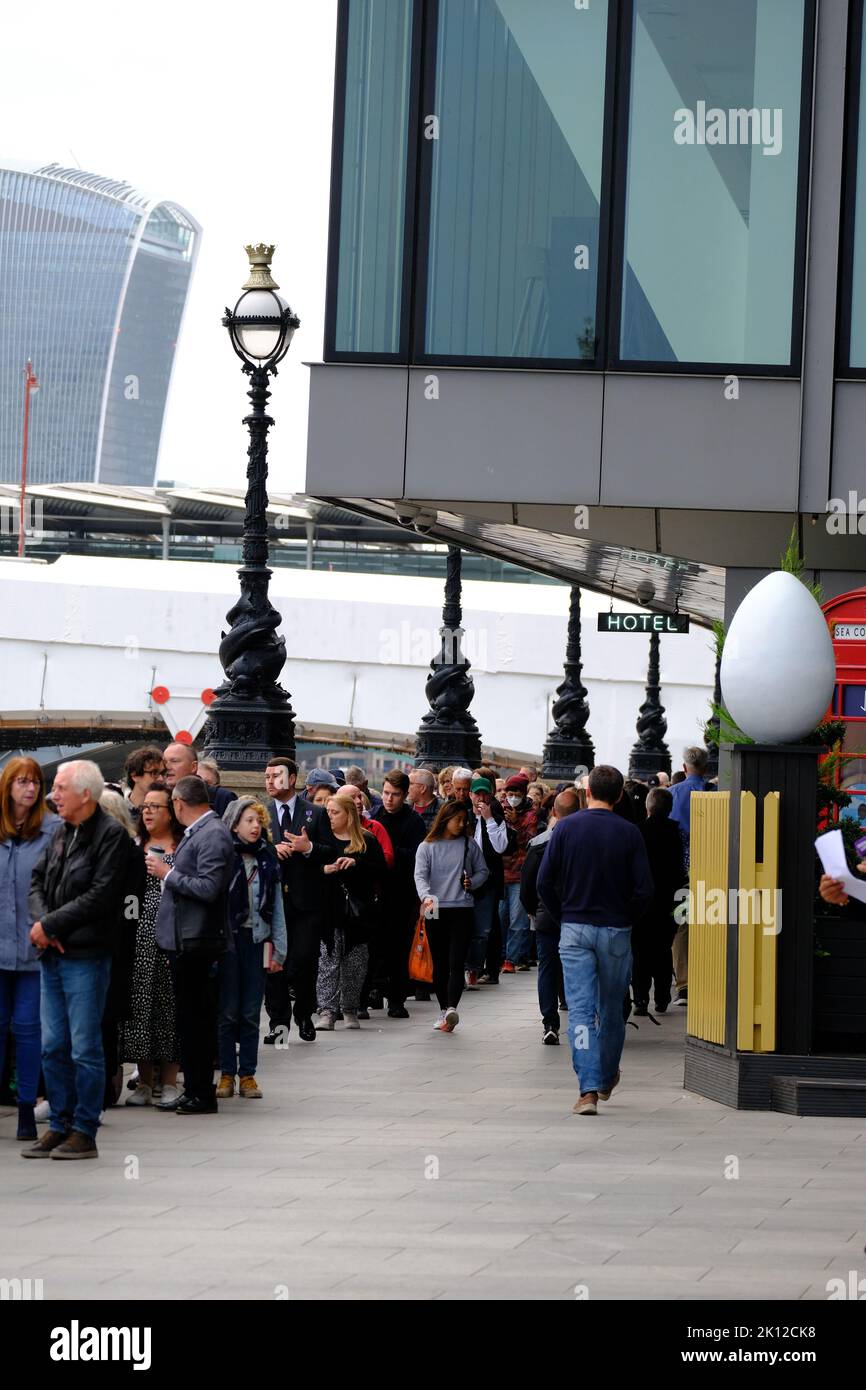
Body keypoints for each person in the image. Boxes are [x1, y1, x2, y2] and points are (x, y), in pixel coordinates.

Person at [24, 760, 132, 1160]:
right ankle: (59, 1124)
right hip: (52, 953)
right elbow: (37, 881)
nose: (53, 795)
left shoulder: (111, 836)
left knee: (84, 1047)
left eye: (60, 788)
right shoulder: (60, 831)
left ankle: (85, 1129)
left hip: (86, 955)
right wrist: (43, 924)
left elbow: (101, 896)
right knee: (52, 1045)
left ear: (85, 794)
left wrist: (50, 925)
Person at [537, 764, 653, 1117]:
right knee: (612, 1009)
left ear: (587, 793)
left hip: (575, 927)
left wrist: (563, 916)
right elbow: (644, 889)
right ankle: (606, 1074)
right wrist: (627, 918)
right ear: (619, 795)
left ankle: (587, 1088)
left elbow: (544, 882)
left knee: (581, 1011)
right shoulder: (630, 832)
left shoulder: (565, 828)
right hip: (616, 929)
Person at [151, 775, 234, 1115]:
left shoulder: (212, 833)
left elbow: (209, 888)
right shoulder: (201, 831)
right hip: (186, 937)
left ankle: (201, 1092)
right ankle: (195, 1089)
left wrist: (167, 874)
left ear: (179, 803)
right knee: (189, 1018)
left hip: (197, 940)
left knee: (196, 1019)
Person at [0, 759, 60, 1140]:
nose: (30, 789)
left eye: (35, 782)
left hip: (34, 948)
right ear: (7, 787)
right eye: (22, 782)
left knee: (28, 1030)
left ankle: (26, 1108)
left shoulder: (53, 830)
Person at [217, 799, 287, 1098]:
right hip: (228, 943)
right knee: (227, 1012)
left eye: (258, 821)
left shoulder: (267, 858)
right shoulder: (223, 858)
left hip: (257, 941)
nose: (256, 826)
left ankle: (247, 1075)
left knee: (249, 1013)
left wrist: (280, 950)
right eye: (249, 820)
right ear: (234, 825)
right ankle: (226, 1075)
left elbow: (277, 907)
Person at [120, 781, 183, 1110]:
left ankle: (170, 1082)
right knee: (140, 1008)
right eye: (145, 807)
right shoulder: (134, 846)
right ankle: (144, 1081)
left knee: (170, 1009)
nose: (147, 812)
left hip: (173, 936)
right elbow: (125, 895)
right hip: (140, 939)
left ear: (170, 812)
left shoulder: (182, 846)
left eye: (155, 807)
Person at [263, 757, 332, 1044]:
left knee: (304, 960)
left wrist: (309, 847)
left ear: (292, 779)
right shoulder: (260, 813)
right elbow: (246, 848)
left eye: (275, 776)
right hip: (271, 903)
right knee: (273, 963)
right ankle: (278, 1023)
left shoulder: (315, 813)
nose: (269, 781)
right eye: (267, 776)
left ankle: (304, 1014)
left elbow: (331, 851)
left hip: (306, 903)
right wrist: (271, 850)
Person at [414, 800, 488, 1031]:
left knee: (457, 961)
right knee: (439, 962)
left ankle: (451, 1008)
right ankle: (443, 1008)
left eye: (465, 820)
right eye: (458, 820)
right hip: (435, 906)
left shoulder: (468, 844)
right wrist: (425, 896)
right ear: (445, 819)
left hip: (462, 906)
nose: (462, 824)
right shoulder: (427, 846)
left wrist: (472, 882)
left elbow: (483, 871)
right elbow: (420, 875)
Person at [316, 796, 385, 1030]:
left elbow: (381, 871)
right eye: (327, 811)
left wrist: (356, 864)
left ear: (348, 815)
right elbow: (310, 869)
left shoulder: (366, 840)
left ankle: (350, 1008)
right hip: (329, 909)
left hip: (358, 912)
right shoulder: (322, 839)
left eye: (334, 812)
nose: (329, 816)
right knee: (327, 960)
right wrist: (325, 869)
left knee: (355, 963)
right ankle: (327, 1011)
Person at [520, 789, 582, 1044]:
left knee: (547, 968)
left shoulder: (538, 843)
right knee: (579, 968)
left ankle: (549, 1022)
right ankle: (581, 1019)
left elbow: (527, 887)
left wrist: (535, 909)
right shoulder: (585, 843)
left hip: (546, 916)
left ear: (554, 812)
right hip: (579, 915)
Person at [98, 790, 146, 1108]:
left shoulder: (128, 854)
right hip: (105, 945)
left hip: (115, 947)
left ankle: (106, 1083)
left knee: (107, 1019)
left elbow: (131, 906)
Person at [373, 770, 427, 1017]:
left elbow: (417, 856)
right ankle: (375, 991)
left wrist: (389, 849)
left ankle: (396, 999)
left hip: (402, 893)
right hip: (377, 890)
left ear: (405, 795)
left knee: (399, 946)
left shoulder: (414, 822)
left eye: (394, 794)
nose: (388, 799)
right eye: (385, 793)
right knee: (377, 945)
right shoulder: (376, 816)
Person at [633, 787, 685, 1016]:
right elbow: (682, 868)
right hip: (668, 899)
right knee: (664, 948)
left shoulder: (638, 831)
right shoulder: (677, 832)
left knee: (640, 950)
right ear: (670, 808)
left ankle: (640, 998)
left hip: (642, 899)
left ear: (648, 807)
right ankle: (662, 996)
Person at [668, 746, 710, 1004]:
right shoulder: (714, 792)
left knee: (682, 924)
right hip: (712, 863)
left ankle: (684, 984)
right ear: (705, 768)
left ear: (684, 767)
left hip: (682, 866)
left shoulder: (672, 793)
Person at [463, 775, 513, 989]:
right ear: (470, 795)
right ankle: (468, 966)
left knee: (486, 927)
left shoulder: (496, 818)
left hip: (489, 881)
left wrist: (489, 819)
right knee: (466, 925)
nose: (481, 799)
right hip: (465, 879)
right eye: (477, 794)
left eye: (485, 794)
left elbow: (501, 847)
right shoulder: (464, 816)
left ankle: (486, 968)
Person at [499, 775, 539, 972]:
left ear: (523, 794)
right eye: (510, 793)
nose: (512, 797)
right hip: (501, 872)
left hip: (519, 873)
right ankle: (500, 956)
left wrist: (516, 824)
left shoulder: (531, 815)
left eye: (517, 794)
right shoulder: (499, 809)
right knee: (500, 918)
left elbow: (530, 841)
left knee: (517, 919)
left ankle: (511, 958)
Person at [163, 742, 237, 817]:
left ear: (193, 767)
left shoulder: (221, 798)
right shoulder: (161, 799)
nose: (167, 767)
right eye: (164, 762)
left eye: (174, 761)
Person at [122, 746, 167, 824]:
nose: (161, 779)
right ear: (135, 776)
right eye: (154, 773)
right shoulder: (119, 813)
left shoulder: (171, 808)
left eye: (163, 773)